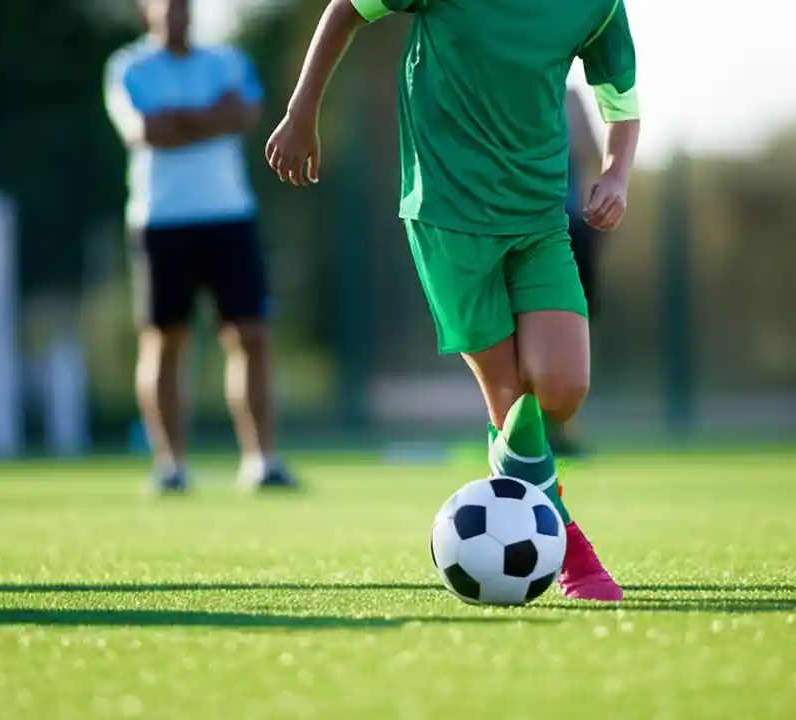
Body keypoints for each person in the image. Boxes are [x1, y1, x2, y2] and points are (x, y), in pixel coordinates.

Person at [265, 0, 640, 600]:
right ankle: (573, 554)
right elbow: (346, 11)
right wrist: (301, 111)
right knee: (511, 397)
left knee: (563, 388)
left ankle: (517, 483)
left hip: (540, 218)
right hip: (447, 216)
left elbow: (619, 95)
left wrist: (616, 174)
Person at [104, 0, 297, 493]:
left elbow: (242, 115)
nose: (176, 13)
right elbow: (144, 131)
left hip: (229, 217)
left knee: (251, 335)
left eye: (183, 5)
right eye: (166, 6)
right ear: (146, 10)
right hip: (161, 221)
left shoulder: (227, 61)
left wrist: (179, 121)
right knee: (165, 342)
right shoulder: (128, 67)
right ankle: (171, 466)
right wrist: (208, 117)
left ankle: (262, 461)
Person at [547, 87, 606, 456]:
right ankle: (521, 430)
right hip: (523, 228)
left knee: (571, 332)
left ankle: (561, 430)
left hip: (570, 230)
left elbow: (595, 157)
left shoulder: (569, 98)